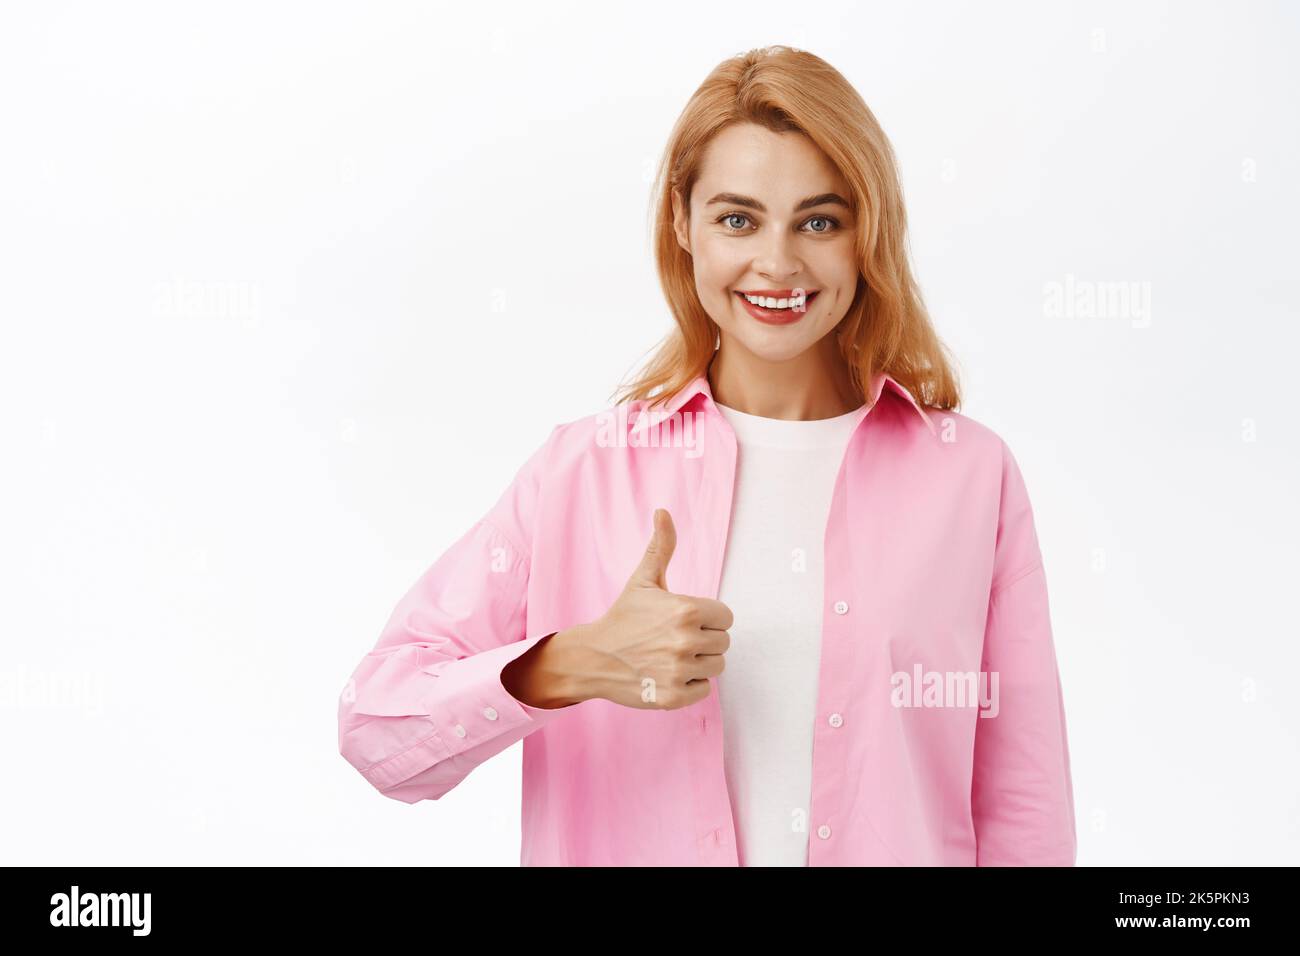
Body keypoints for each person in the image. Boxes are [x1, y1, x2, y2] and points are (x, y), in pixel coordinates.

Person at [337, 45, 1077, 867]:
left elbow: (1024, 808)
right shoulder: (582, 472)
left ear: (869, 232)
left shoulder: (969, 477)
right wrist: (573, 661)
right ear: (681, 226)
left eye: (820, 221)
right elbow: (374, 725)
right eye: (738, 218)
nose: (779, 263)